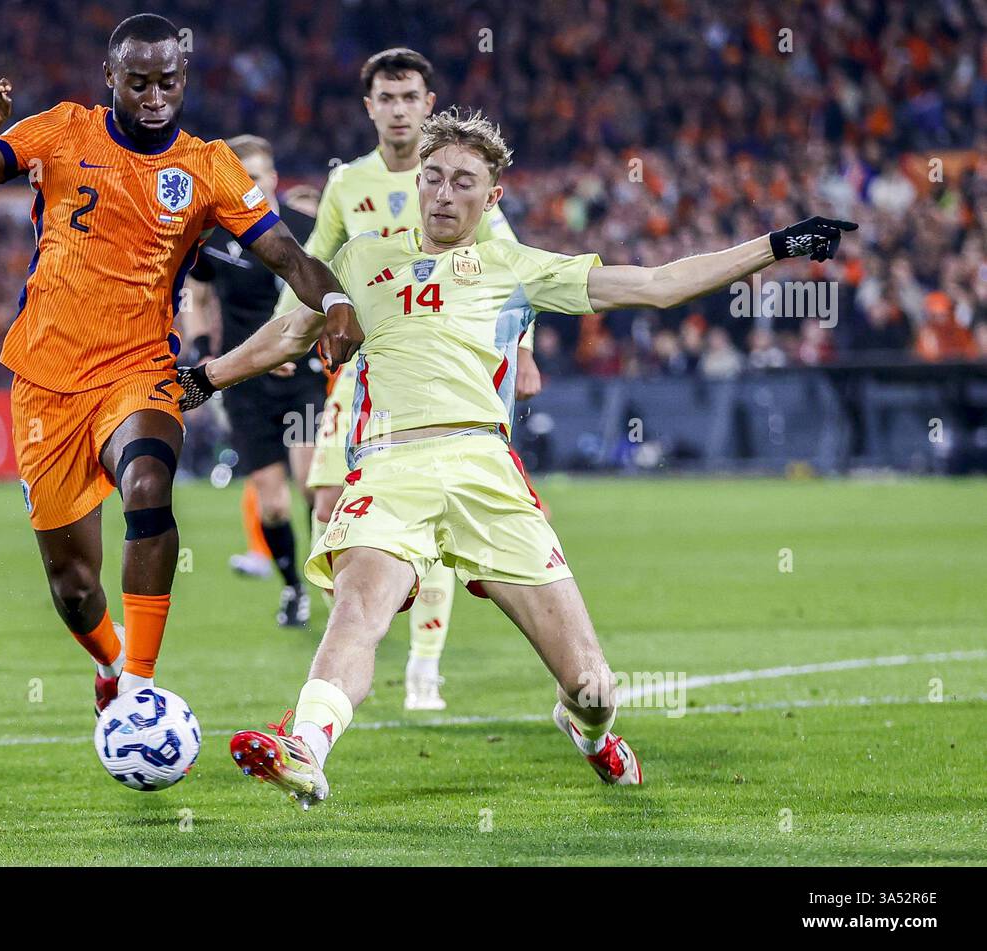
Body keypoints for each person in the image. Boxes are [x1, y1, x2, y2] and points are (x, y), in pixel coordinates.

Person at [182, 107, 856, 806]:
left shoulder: (517, 269)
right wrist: (202, 381)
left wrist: (777, 246)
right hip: (389, 467)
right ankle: (305, 748)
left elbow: (659, 286)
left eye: (463, 182)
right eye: (433, 177)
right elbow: (287, 335)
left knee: (592, 685)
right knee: (359, 608)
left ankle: (589, 732)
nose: (443, 194)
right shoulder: (360, 260)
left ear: (493, 196)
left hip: (484, 469)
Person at [0, 13, 359, 715]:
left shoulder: (208, 165)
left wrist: (335, 298)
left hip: (139, 370)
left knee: (149, 482)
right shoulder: (64, 130)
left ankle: (139, 688)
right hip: (46, 378)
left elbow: (283, 251)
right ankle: (111, 658)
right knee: (72, 584)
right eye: (139, 83)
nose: (155, 96)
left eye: (167, 81)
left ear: (183, 78)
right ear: (111, 79)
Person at [270, 47, 536, 710]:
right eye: (385, 99)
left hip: (434, 377)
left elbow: (513, 269)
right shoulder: (348, 185)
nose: (397, 110)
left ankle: (423, 662)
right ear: (370, 108)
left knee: (436, 516)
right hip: (360, 369)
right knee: (325, 498)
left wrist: (523, 350)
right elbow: (312, 265)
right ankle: (358, 629)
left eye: (409, 97)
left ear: (427, 104)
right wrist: (281, 335)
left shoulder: (458, 179)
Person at [183, 135, 325, 627]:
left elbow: (333, 291)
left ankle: (329, 583)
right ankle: (293, 589)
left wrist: (304, 342)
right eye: (245, 176)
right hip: (245, 380)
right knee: (272, 504)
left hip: (302, 377)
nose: (256, 183)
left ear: (275, 177)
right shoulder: (213, 237)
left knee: (312, 483)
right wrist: (203, 355)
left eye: (262, 174)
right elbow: (196, 300)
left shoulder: (309, 228)